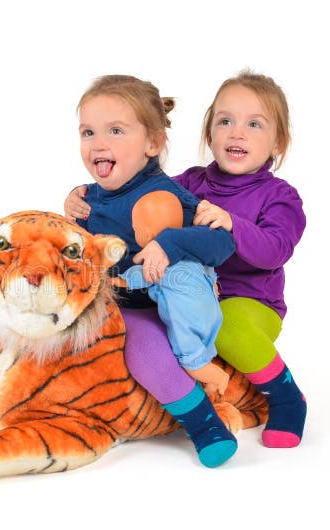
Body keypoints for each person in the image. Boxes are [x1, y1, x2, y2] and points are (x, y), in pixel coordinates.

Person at [65, 70, 307, 448]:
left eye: (254, 124)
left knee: (228, 329)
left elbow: (276, 249)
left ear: (278, 143)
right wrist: (78, 200)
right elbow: (138, 192)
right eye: (225, 121)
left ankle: (287, 397)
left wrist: (232, 224)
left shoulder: (280, 197)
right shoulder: (188, 184)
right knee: (138, 340)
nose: (236, 133)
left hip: (245, 302)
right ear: (209, 133)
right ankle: (195, 416)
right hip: (176, 298)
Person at [73, 74, 237, 467]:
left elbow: (222, 245)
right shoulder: (87, 200)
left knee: (143, 349)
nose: (98, 143)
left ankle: (203, 422)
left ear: (153, 143)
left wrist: (171, 242)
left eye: (115, 131)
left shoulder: (166, 194)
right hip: (116, 300)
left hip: (164, 304)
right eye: (88, 132)